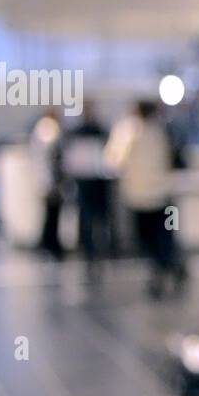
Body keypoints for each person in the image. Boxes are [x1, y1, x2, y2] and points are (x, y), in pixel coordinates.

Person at [105, 100, 185, 298]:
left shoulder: (128, 132)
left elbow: (114, 160)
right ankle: (170, 265)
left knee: (148, 238)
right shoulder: (164, 130)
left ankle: (163, 268)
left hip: (140, 197)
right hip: (164, 195)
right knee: (166, 235)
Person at [63, 101, 116, 274]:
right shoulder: (79, 132)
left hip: (97, 181)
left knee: (101, 217)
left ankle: (103, 248)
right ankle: (90, 250)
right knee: (88, 218)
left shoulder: (99, 130)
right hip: (86, 182)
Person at [30, 109, 65, 259]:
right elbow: (52, 159)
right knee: (51, 215)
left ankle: (50, 243)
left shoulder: (41, 130)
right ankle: (49, 244)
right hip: (50, 182)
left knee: (51, 214)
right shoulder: (49, 129)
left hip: (46, 181)